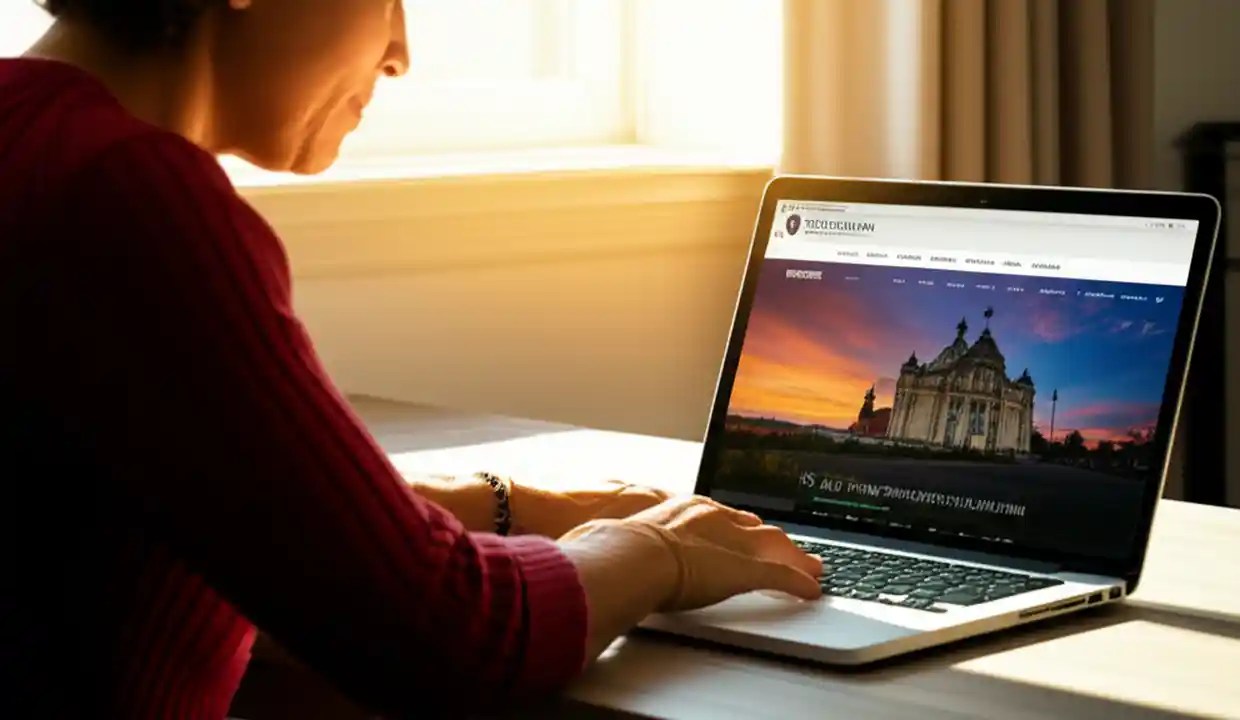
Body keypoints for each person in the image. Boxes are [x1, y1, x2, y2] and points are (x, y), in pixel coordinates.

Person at [0, 2, 824, 718]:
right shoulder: (126, 196)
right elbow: (449, 638)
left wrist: (516, 505)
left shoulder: (35, 141)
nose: (399, 54)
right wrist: (655, 551)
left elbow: (246, 502)